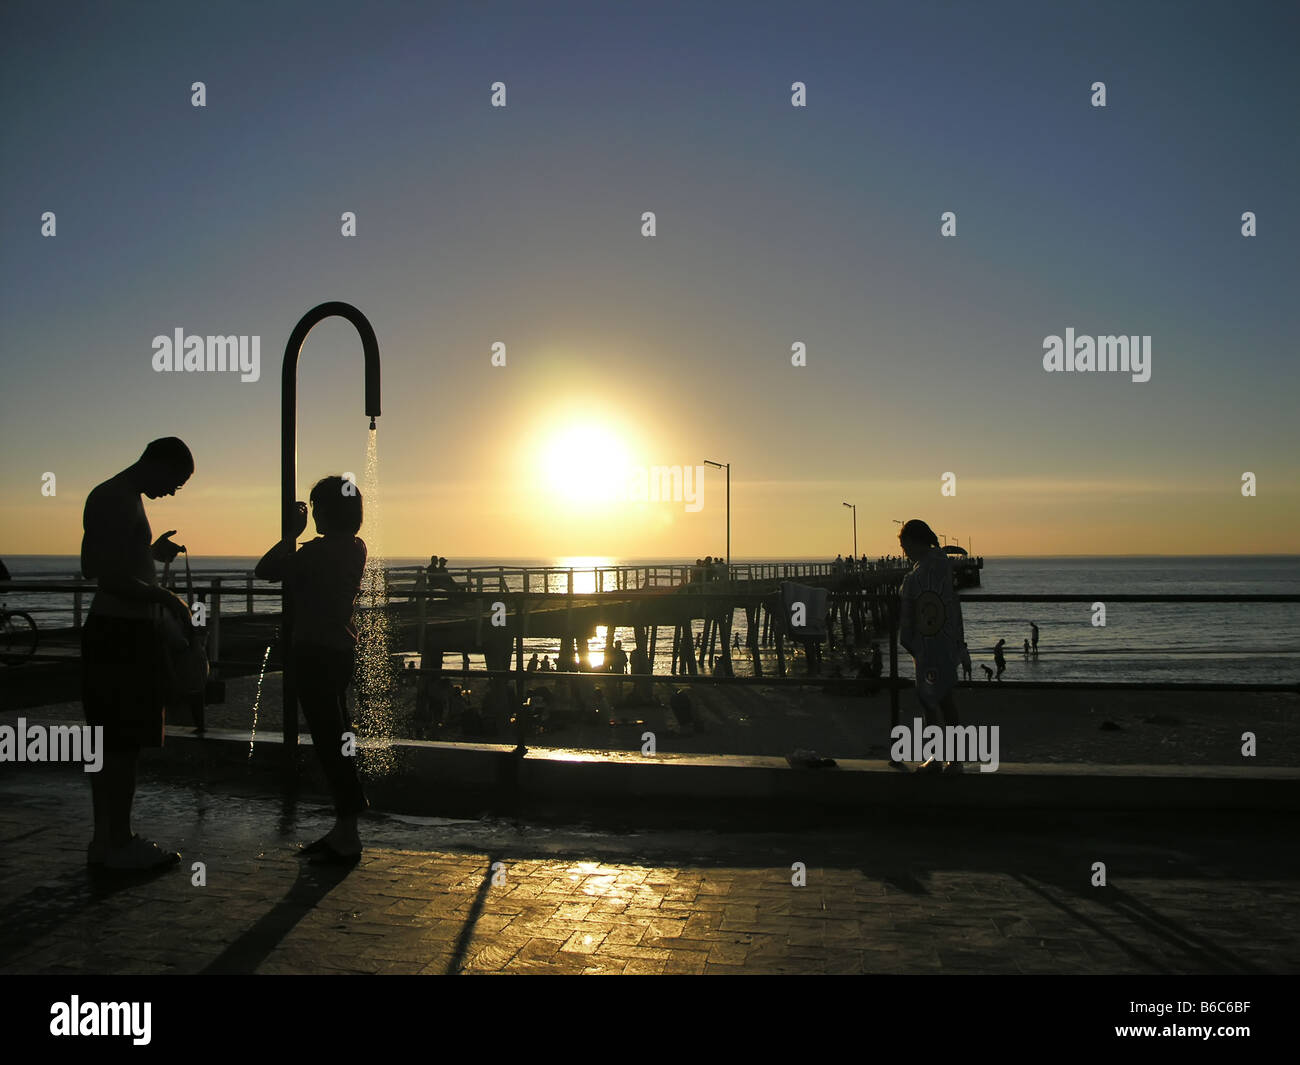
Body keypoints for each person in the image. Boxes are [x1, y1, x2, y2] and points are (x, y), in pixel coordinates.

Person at [80, 437, 194, 870]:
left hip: (122, 632)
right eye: (176, 481)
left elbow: (108, 561)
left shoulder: (118, 496)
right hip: (120, 633)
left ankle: (107, 841)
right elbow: (104, 575)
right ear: (159, 463)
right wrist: (166, 598)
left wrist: (147, 555)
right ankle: (117, 842)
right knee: (121, 743)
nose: (173, 491)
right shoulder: (115, 498)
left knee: (116, 742)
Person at [256, 476, 368, 864]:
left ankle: (348, 828)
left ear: (328, 511)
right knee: (339, 733)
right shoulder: (356, 548)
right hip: (340, 650)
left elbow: (265, 569)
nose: (314, 513)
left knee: (328, 738)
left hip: (315, 652)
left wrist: (290, 533)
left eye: (317, 507)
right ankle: (346, 824)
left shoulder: (318, 552)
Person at [897, 518, 970, 773]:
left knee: (931, 700)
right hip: (944, 641)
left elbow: (913, 598)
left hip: (929, 645)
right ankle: (954, 759)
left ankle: (939, 758)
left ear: (915, 542)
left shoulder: (922, 572)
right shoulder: (942, 565)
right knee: (945, 699)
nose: (904, 552)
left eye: (905, 546)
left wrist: (910, 640)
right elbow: (951, 603)